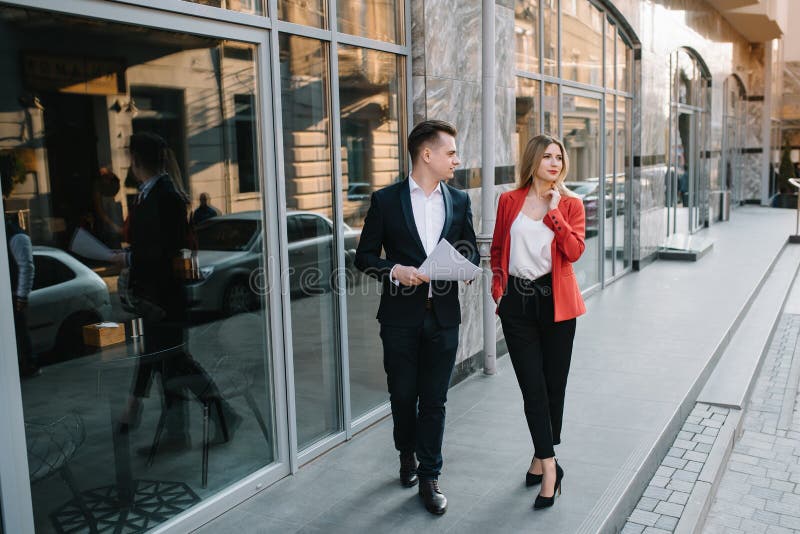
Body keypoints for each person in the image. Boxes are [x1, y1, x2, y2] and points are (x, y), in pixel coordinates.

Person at [355, 120, 479, 515]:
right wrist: (395, 270)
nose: (457, 160)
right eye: (451, 153)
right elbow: (364, 257)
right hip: (399, 319)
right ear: (427, 154)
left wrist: (460, 266)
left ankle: (429, 476)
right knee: (404, 395)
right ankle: (405, 453)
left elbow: (472, 252)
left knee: (436, 401)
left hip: (443, 317)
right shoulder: (386, 200)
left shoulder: (459, 201)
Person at [113, 132, 239, 451]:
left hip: (164, 298)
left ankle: (212, 417)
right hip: (157, 297)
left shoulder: (164, 194)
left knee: (172, 361)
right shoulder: (151, 193)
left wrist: (128, 256)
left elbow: (164, 251)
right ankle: (186, 429)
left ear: (136, 160)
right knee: (171, 363)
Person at [490, 134, 586, 510]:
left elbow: (575, 251)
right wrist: (499, 289)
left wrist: (555, 211)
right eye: (547, 156)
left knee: (552, 387)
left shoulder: (572, 204)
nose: (554, 163)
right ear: (533, 161)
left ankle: (538, 456)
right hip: (517, 304)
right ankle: (550, 468)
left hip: (556, 306)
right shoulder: (509, 201)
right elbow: (498, 249)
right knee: (532, 387)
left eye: (559, 157)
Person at [2, 170, 40, 378]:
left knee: (19, 332)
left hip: (14, 296)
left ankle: (28, 365)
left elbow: (27, 267)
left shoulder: (16, 237)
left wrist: (21, 295)